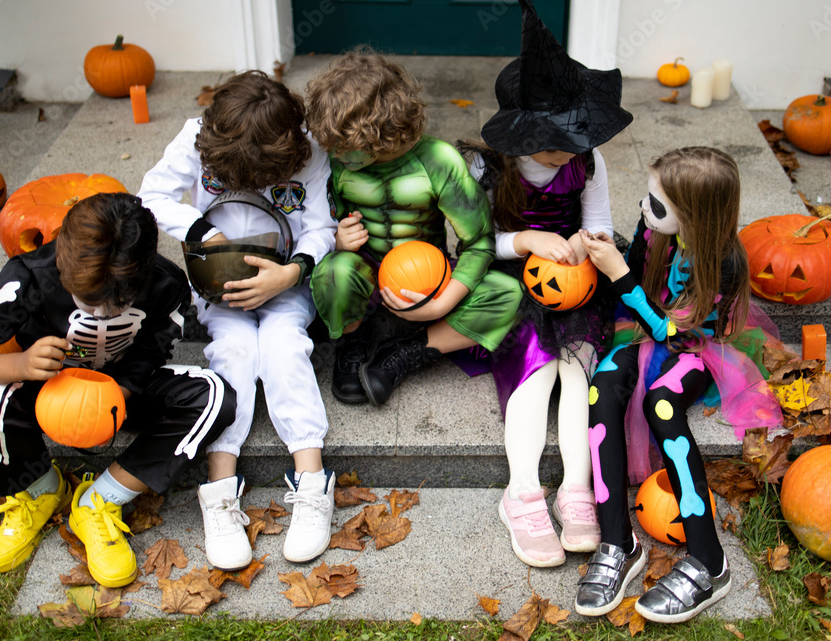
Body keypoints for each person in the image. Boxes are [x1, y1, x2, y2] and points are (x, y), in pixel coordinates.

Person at [0, 192, 237, 587]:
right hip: (44, 389)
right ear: (63, 265)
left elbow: (153, 349)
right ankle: (38, 489)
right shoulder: (29, 276)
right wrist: (19, 365)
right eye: (90, 302)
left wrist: (122, 391)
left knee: (215, 395)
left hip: (120, 396)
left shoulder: (168, 285)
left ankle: (101, 499)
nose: (103, 313)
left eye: (119, 304)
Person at [138, 70, 342, 568]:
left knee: (283, 343)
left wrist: (290, 273)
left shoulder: (310, 149)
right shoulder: (196, 136)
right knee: (232, 351)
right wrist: (202, 231)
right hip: (219, 287)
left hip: (285, 281)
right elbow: (151, 197)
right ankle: (220, 490)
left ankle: (312, 482)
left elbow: (322, 227)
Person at [575, 146, 782, 622]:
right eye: (647, 197)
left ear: (692, 215)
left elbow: (676, 334)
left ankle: (710, 560)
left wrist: (618, 273)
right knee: (601, 389)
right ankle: (618, 541)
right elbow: (636, 286)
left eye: (656, 203)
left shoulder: (724, 263)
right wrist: (615, 255)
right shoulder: (656, 230)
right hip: (644, 328)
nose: (644, 207)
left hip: (697, 346)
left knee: (662, 403)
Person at [461, 0, 632, 568]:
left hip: (577, 278)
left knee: (578, 367)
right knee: (537, 369)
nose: (569, 151)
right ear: (522, 135)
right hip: (514, 278)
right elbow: (478, 245)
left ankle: (577, 488)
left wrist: (588, 241)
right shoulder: (491, 170)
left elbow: (600, 223)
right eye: (557, 141)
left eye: (577, 139)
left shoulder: (588, 161)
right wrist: (528, 239)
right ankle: (522, 492)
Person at [303, 49, 523, 407]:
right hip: (366, 272)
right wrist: (337, 239)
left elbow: (479, 242)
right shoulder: (336, 160)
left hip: (428, 280)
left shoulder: (438, 160)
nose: (335, 152)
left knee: (508, 293)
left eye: (344, 146)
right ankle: (352, 342)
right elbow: (317, 223)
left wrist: (441, 304)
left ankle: (411, 349)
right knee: (333, 272)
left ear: (377, 135)